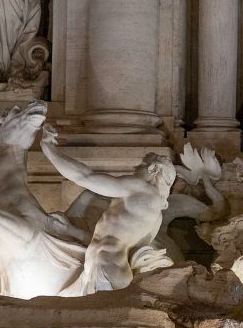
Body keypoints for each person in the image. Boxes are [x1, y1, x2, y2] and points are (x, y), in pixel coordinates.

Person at [38, 124, 176, 294]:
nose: (135, 169)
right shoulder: (156, 216)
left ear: (154, 169)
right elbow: (109, 241)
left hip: (106, 269)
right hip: (105, 269)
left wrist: (49, 150)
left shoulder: (140, 188)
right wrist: (70, 230)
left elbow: (85, 176)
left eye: (141, 165)